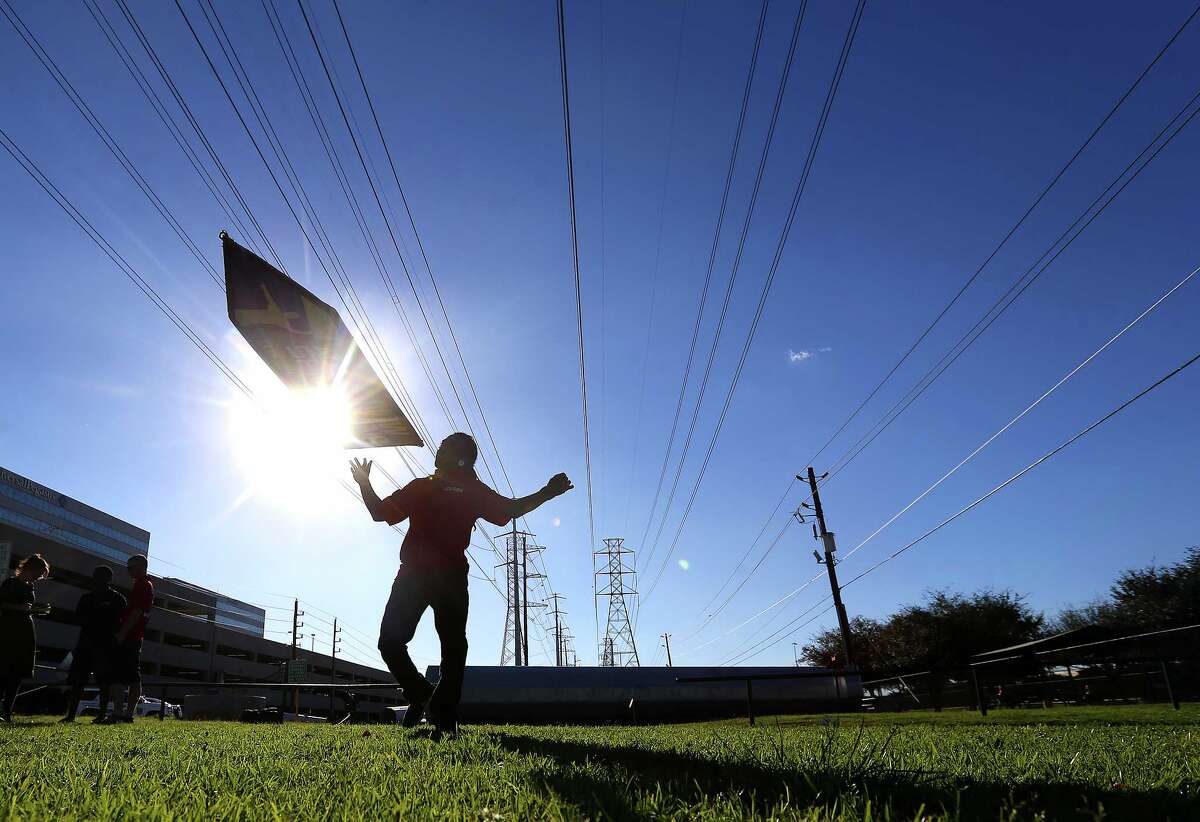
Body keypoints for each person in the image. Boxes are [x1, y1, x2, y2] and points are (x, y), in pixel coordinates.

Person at [351, 432, 572, 736]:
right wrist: (364, 483)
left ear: (457, 457)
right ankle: (424, 695)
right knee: (398, 644)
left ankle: (442, 712)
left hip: (440, 576)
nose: (436, 451)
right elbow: (381, 513)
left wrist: (547, 493)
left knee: (448, 647)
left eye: (442, 448)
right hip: (419, 575)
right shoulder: (425, 487)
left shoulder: (464, 490)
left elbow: (510, 510)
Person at [62, 565, 126, 723]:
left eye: (101, 576)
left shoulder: (117, 598)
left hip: (105, 644)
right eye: (96, 576)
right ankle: (71, 715)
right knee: (78, 680)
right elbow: (77, 618)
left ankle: (102, 714)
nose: (98, 579)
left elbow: (122, 621)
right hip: (86, 642)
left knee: (104, 681)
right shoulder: (86, 598)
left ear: (109, 579)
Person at [99, 554, 153, 724]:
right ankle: (127, 714)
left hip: (130, 636)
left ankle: (118, 713)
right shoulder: (145, 585)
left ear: (141, 566)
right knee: (133, 676)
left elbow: (136, 612)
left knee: (119, 676)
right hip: (136, 637)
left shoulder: (142, 585)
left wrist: (121, 635)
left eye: (131, 567)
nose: (128, 570)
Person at [0, 554, 51, 722]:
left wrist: (34, 609)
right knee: (5, 669)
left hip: (25, 629)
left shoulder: (30, 587)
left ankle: (6, 711)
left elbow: (25, 607)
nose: (38, 578)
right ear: (29, 569)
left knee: (18, 672)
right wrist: (20, 608)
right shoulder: (11, 583)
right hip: (9, 629)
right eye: (38, 573)